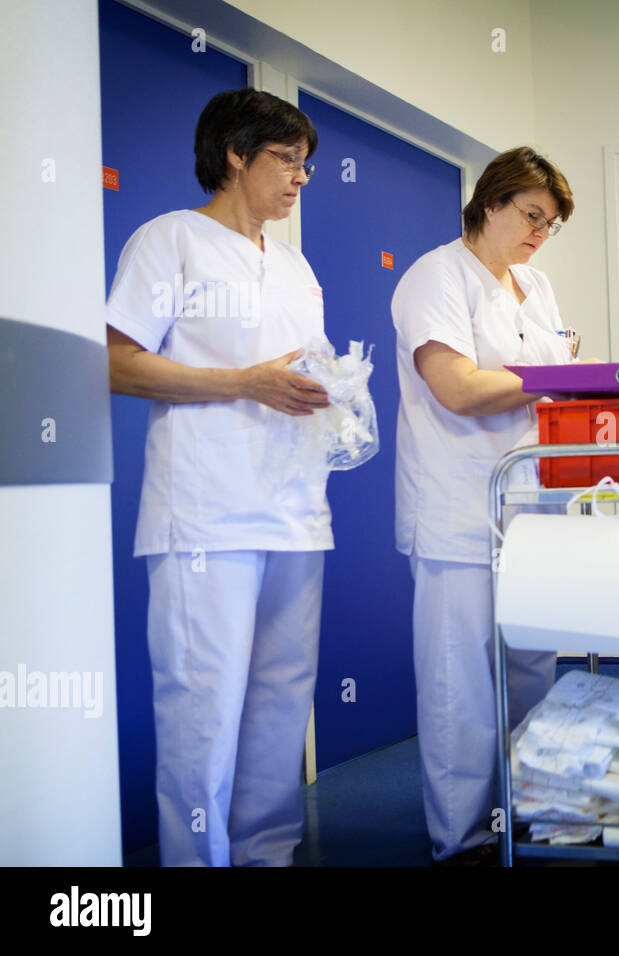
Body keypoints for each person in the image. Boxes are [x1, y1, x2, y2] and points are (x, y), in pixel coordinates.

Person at [105, 88, 332, 866]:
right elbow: (116, 362)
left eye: (307, 164)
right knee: (203, 708)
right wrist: (246, 382)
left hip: (298, 509)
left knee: (280, 701)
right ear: (235, 155)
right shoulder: (171, 240)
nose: (301, 178)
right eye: (286, 160)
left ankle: (264, 854)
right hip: (206, 515)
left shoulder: (297, 268)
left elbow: (302, 372)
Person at [392, 147, 579, 863]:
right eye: (532, 215)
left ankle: (528, 810)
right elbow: (460, 388)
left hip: (531, 506)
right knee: (460, 683)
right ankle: (462, 837)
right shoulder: (435, 277)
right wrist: (555, 373)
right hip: (457, 508)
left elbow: (552, 381)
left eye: (551, 223)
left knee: (532, 670)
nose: (539, 232)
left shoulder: (535, 285)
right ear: (491, 202)